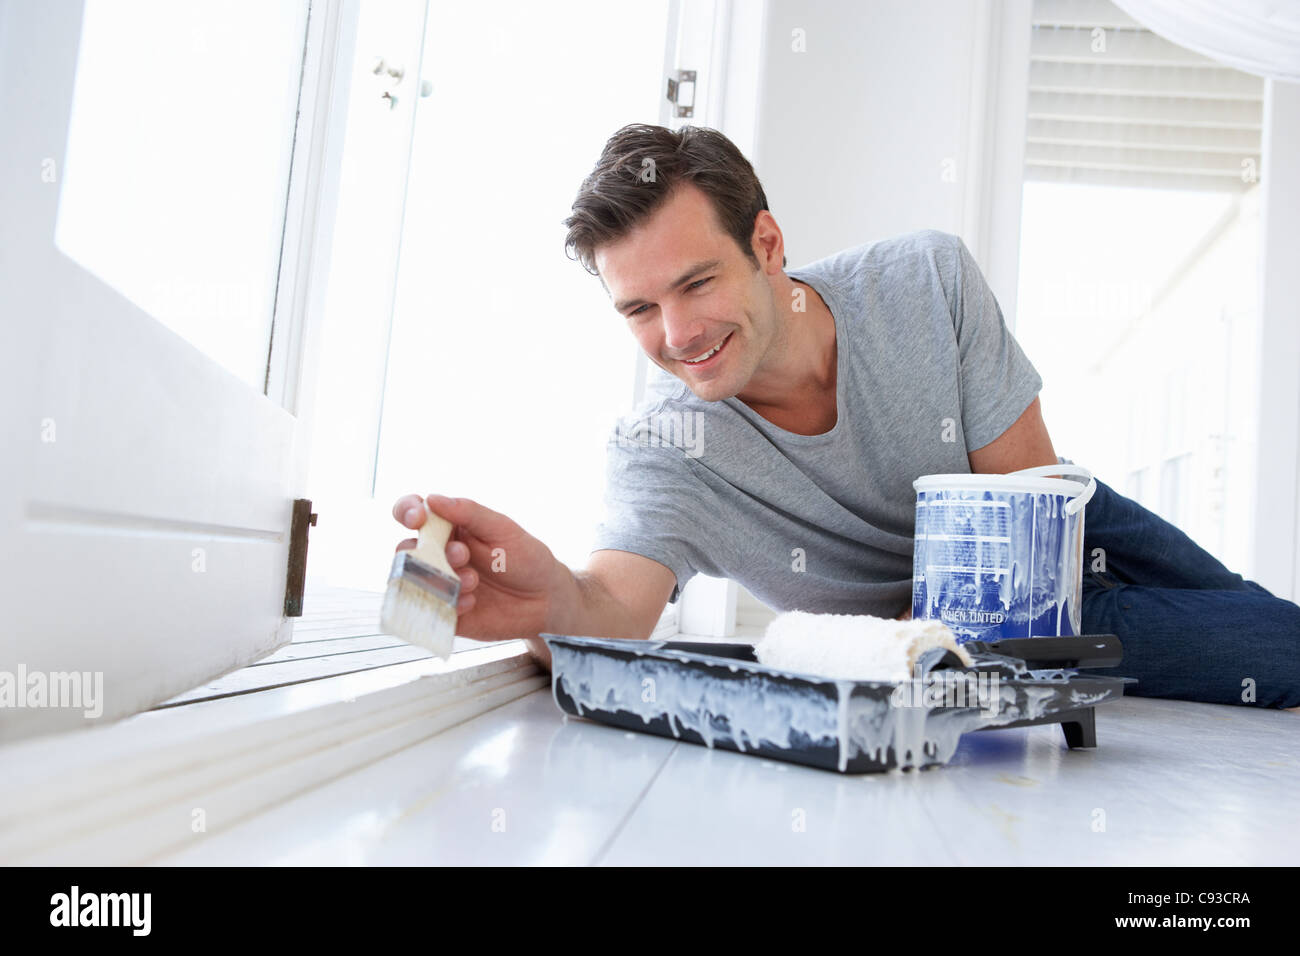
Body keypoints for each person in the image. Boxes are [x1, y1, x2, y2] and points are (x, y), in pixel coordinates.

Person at [391, 124, 1300, 709]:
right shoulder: (661, 449)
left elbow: (1030, 531)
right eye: (638, 309)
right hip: (963, 637)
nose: (677, 335)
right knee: (1284, 650)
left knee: (1264, 631)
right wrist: (548, 599)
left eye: (698, 282)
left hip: (1045, 530)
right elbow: (610, 610)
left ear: (768, 245)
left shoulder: (925, 281)